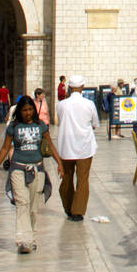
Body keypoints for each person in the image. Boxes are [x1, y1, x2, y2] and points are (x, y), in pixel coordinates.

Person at [0, 93, 64, 254]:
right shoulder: (13, 128)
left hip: (37, 169)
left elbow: (50, 145)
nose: (28, 113)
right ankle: (23, 240)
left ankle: (32, 237)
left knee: (32, 207)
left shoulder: (41, 126)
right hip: (18, 168)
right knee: (22, 203)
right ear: (19, 111)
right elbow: (5, 148)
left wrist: (59, 163)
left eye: (30, 109)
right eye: (24, 110)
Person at [56, 75, 99, 221]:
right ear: (82, 87)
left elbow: (61, 120)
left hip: (66, 146)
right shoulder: (89, 104)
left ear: (69, 87)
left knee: (67, 177)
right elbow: (95, 123)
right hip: (84, 147)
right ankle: (78, 211)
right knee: (82, 179)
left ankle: (68, 207)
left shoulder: (61, 105)